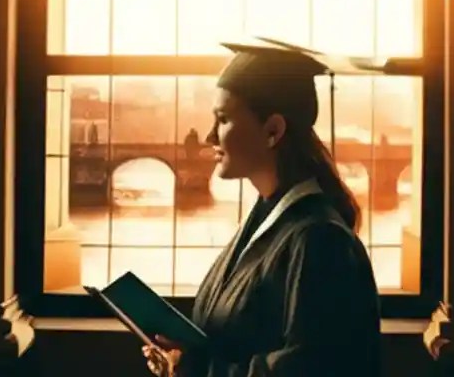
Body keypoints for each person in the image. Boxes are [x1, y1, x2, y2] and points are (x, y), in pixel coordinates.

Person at [142, 42, 382, 377]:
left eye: (223, 120)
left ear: (273, 131)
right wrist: (180, 355)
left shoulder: (321, 242)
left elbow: (313, 370)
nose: (210, 135)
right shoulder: (266, 222)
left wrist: (195, 368)